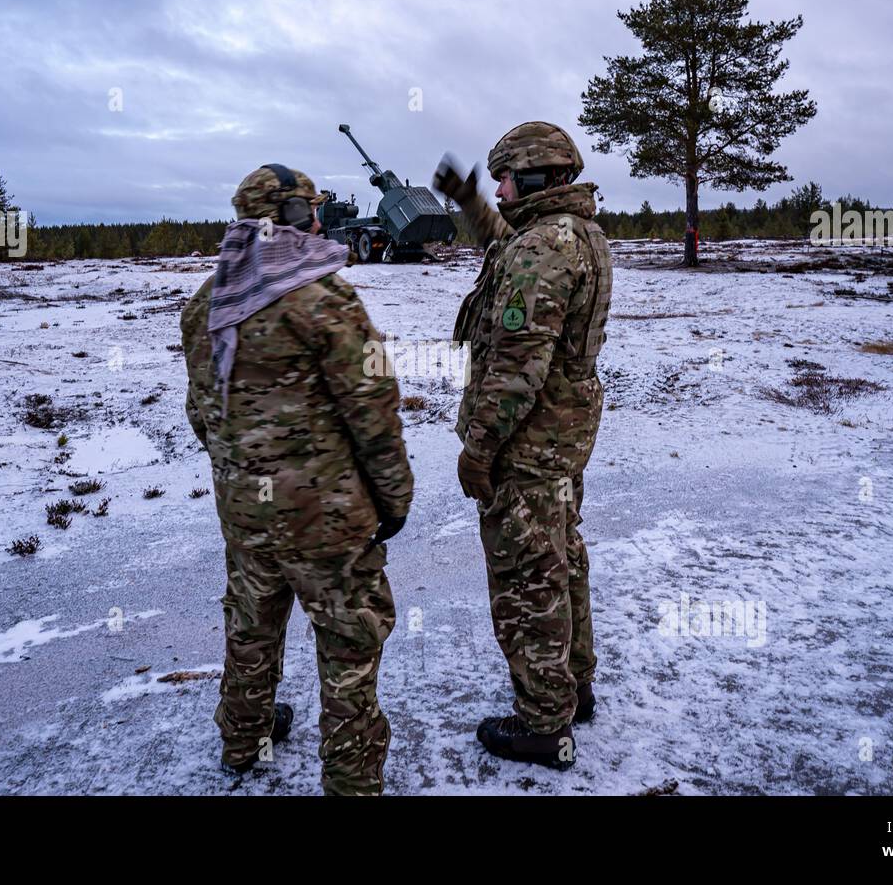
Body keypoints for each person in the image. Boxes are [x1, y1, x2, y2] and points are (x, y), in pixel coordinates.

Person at [179, 163, 413, 795]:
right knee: (348, 641)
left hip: (245, 508)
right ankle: (351, 779)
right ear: (291, 216)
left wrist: (240, 477)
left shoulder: (210, 301)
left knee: (251, 621)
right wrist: (394, 496)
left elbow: (203, 411)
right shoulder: (323, 296)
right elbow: (373, 409)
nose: (318, 219)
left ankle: (243, 735)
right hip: (324, 515)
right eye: (311, 209)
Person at [433, 123, 612, 770]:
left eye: (506, 177)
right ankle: (573, 687)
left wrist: (479, 450)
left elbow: (515, 373)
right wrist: (470, 204)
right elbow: (507, 242)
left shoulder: (543, 250)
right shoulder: (575, 233)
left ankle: (542, 724)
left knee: (527, 576)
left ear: (537, 178)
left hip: (527, 446)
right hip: (563, 441)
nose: (501, 187)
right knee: (562, 558)